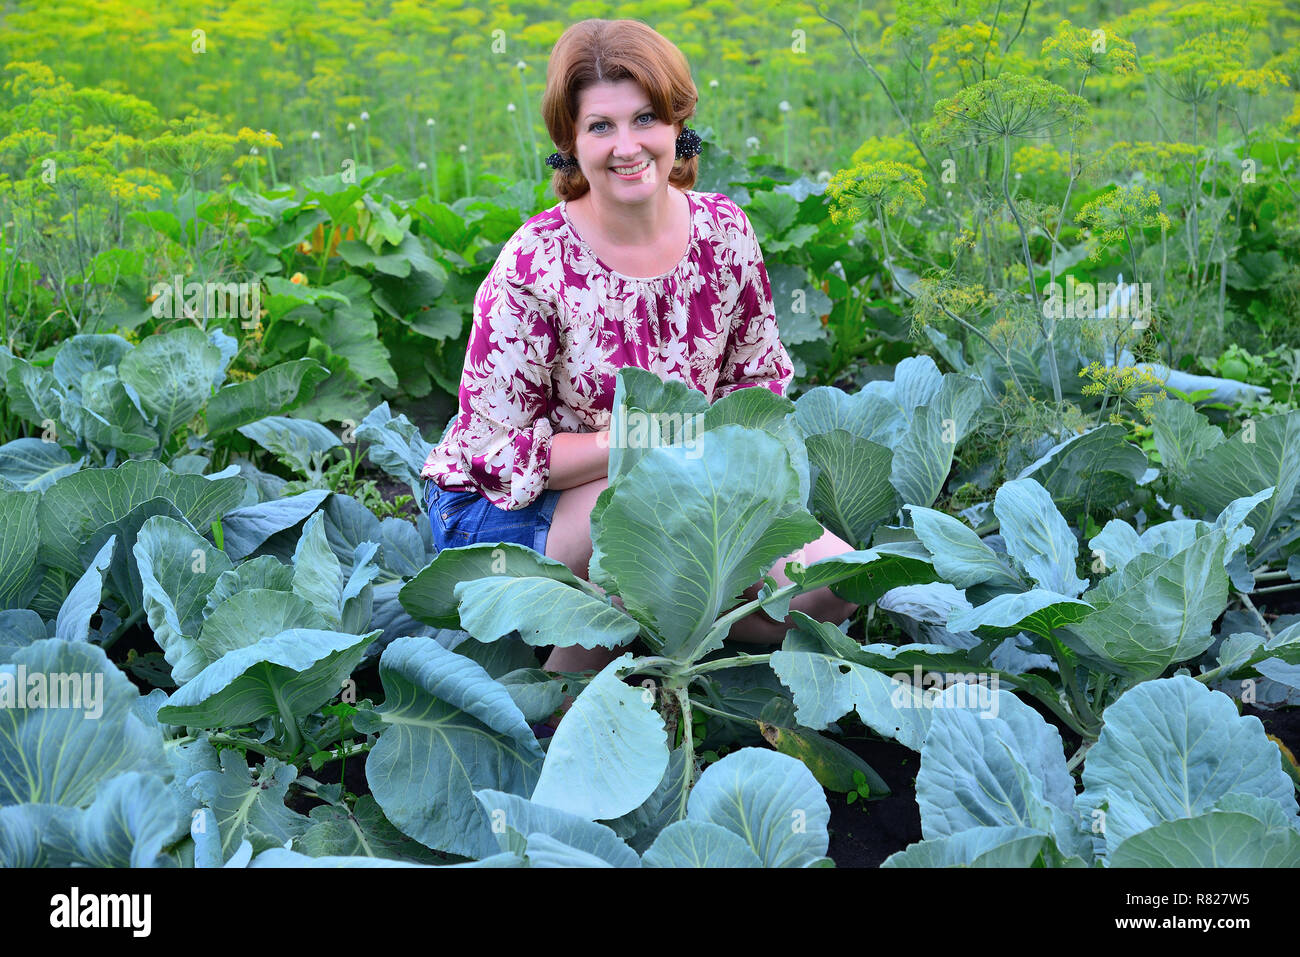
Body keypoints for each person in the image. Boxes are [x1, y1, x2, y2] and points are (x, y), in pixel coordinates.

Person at [420, 18, 857, 685]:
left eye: (645, 118)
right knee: (638, 528)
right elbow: (493, 451)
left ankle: (678, 634)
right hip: (508, 508)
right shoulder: (536, 264)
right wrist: (638, 443)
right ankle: (558, 710)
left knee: (831, 586)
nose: (627, 147)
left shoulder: (723, 234)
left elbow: (757, 381)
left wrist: (709, 469)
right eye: (600, 126)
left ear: (676, 124)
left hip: (682, 484)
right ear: (570, 139)